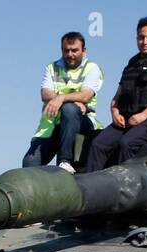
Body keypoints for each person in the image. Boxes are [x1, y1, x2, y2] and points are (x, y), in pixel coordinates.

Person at [84, 16, 147, 173]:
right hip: (128, 119)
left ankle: (125, 190)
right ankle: (90, 189)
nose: (145, 41)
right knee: (98, 144)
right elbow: (117, 96)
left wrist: (144, 115)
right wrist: (115, 112)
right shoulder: (132, 65)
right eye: (141, 37)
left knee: (127, 143)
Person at [21, 32, 103, 172]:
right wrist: (70, 99)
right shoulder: (51, 68)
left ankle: (64, 160)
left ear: (84, 50)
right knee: (29, 163)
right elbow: (45, 94)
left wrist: (61, 99)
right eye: (66, 50)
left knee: (70, 110)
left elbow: (85, 96)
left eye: (75, 50)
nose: (70, 54)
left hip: (81, 123)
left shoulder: (92, 68)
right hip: (51, 126)